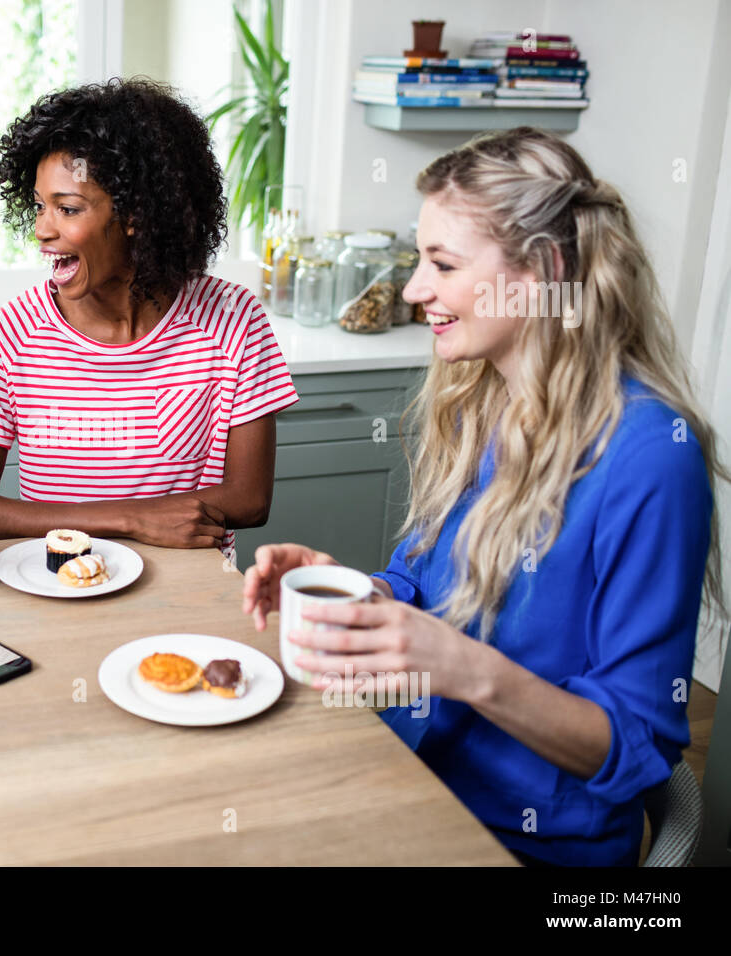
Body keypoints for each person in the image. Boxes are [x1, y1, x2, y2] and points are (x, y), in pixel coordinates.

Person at [242, 127, 723, 866]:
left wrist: (458, 665)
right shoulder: (475, 401)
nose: (412, 289)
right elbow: (419, 585)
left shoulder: (652, 458)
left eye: (442, 264)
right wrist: (353, 591)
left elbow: (638, 748)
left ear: (540, 270)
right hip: (409, 780)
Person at [0, 78, 298, 560]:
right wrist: (129, 520)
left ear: (136, 213)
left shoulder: (234, 321)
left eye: (67, 209)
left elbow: (250, 500)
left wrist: (129, 518)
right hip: (57, 582)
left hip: (186, 592)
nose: (41, 230)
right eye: (38, 206)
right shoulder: (16, 331)